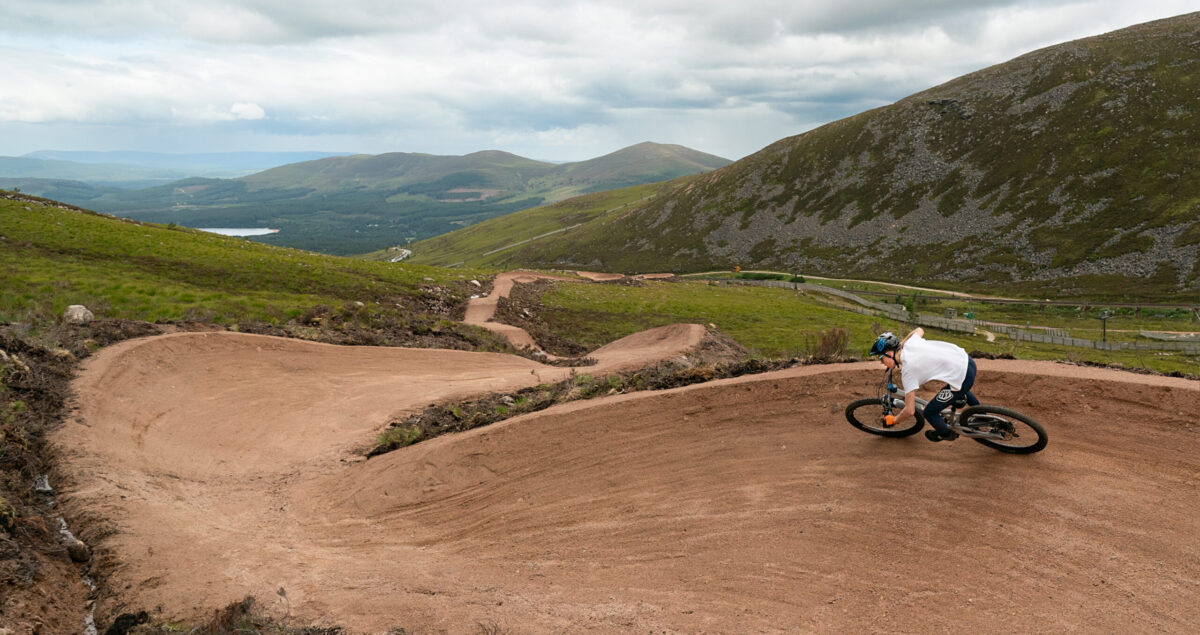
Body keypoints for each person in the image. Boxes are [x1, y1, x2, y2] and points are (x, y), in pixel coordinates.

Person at [867, 328, 979, 442]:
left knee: (930, 412)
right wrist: (903, 342)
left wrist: (894, 420)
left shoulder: (908, 371)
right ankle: (981, 413)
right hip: (966, 360)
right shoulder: (910, 343)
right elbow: (919, 330)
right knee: (956, 385)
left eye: (881, 358)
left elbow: (910, 410)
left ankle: (946, 434)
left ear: (889, 354)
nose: (881, 363)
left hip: (964, 377)